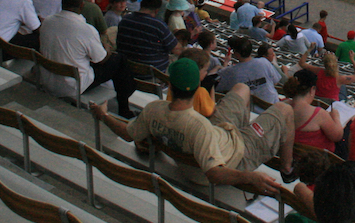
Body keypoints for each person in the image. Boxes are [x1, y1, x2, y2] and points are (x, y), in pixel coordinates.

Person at [92, 58, 294, 195]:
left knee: (242, 88)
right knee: (285, 109)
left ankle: (247, 132)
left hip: (213, 136)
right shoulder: (199, 127)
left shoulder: (153, 109)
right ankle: (287, 169)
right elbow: (214, 173)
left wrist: (103, 116)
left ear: (170, 85)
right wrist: (250, 177)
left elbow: (128, 133)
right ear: (198, 86)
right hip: (234, 155)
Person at [41, 0, 135, 117]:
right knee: (119, 59)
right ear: (82, 6)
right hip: (73, 85)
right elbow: (101, 59)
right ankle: (124, 108)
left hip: (48, 79)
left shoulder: (47, 21)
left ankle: (124, 103)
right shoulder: (86, 30)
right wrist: (106, 49)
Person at [116, 0, 181, 71]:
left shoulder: (125, 20)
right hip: (151, 74)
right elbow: (176, 49)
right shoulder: (158, 26)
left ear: (141, 5)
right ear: (156, 11)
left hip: (125, 69)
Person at [284, 69, 343, 151]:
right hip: (313, 157)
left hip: (289, 153)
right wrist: (336, 117)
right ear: (312, 89)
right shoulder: (318, 114)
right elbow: (337, 136)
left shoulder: (282, 105)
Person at [216, 36, 282, 107]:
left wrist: (226, 63)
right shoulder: (264, 62)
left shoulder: (229, 72)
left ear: (236, 54)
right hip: (272, 106)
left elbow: (219, 90)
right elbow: (275, 82)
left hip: (249, 110)